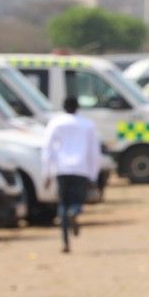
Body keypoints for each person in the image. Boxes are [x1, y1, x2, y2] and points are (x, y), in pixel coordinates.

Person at [41, 93, 101, 253]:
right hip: (81, 169)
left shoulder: (55, 123)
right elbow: (94, 152)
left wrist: (47, 172)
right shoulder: (87, 125)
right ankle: (74, 212)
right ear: (78, 107)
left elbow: (47, 148)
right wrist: (93, 176)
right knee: (77, 201)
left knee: (62, 204)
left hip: (61, 169)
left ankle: (65, 242)